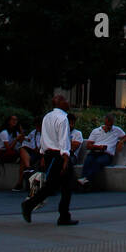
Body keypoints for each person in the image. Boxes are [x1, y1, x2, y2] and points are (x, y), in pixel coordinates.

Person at [21, 94, 77, 225]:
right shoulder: (63, 119)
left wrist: (42, 155)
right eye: (66, 100)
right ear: (61, 103)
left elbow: (43, 138)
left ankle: (63, 215)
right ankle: (31, 205)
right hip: (59, 156)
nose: (68, 103)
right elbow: (64, 141)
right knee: (62, 187)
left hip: (49, 155)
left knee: (57, 186)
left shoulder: (47, 117)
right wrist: (65, 160)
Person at [79, 113, 126, 186]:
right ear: (105, 122)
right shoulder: (96, 131)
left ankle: (85, 179)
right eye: (108, 125)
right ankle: (84, 180)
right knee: (88, 161)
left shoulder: (117, 130)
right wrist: (99, 147)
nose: (109, 127)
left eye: (111, 125)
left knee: (98, 162)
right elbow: (88, 145)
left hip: (107, 154)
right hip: (95, 151)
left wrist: (121, 142)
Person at [0, 113, 27, 189]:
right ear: (8, 121)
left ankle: (20, 181)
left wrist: (21, 132)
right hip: (2, 154)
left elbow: (23, 142)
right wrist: (16, 139)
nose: (14, 121)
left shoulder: (15, 133)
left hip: (11, 153)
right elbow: (8, 149)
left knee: (23, 155)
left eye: (16, 120)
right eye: (12, 119)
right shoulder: (4, 133)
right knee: (22, 154)